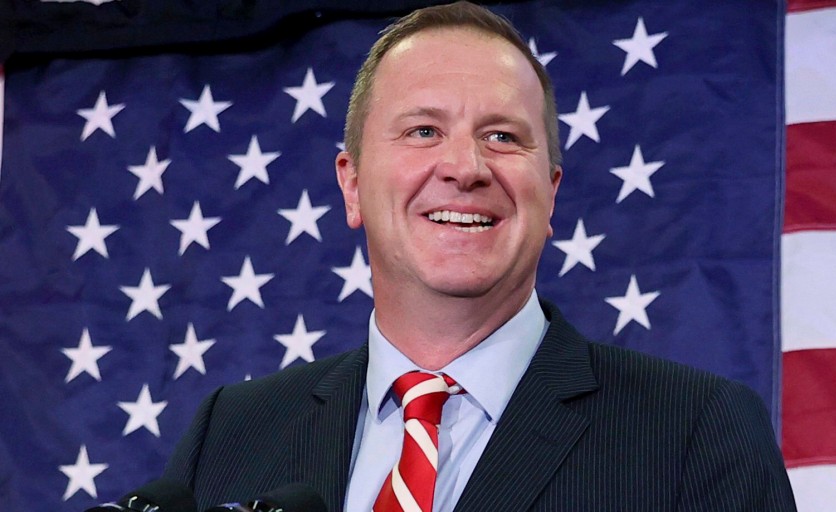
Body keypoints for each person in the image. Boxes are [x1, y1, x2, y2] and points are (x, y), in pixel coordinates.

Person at [163, 2, 798, 511]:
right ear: (351, 185)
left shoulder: (694, 432)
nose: (465, 167)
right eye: (423, 131)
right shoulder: (233, 431)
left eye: (502, 136)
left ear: (550, 192)